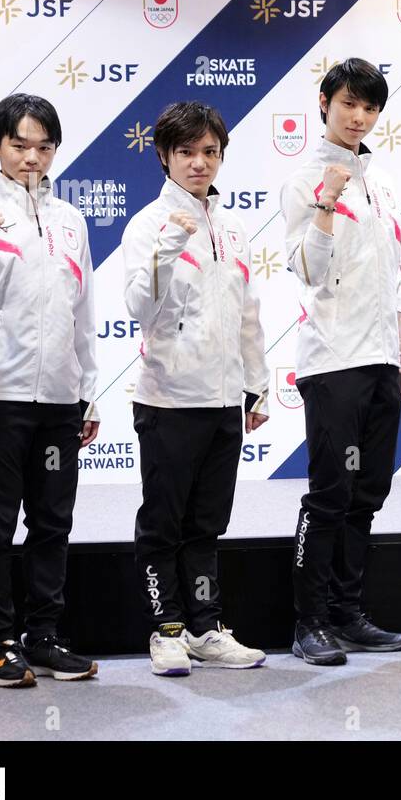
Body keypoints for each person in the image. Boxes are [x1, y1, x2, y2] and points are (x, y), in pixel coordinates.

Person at [0, 93, 99, 687]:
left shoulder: (71, 220)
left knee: (53, 522)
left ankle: (45, 636)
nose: (33, 158)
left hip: (59, 399)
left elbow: (83, 312)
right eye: (20, 145)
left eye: (44, 146)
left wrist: (87, 390)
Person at [123, 101, 270, 675]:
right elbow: (138, 307)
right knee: (163, 523)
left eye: (209, 152)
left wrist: (256, 384)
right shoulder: (146, 225)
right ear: (164, 157)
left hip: (221, 399)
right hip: (167, 399)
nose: (199, 163)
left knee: (207, 523)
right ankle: (166, 630)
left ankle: (207, 626)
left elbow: (248, 312)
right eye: (186, 152)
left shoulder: (232, 227)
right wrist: (167, 246)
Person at [281, 58, 401, 666]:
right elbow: (306, 271)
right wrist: (326, 206)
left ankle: (347, 612)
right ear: (324, 104)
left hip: (382, 358)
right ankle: (308, 622)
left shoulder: (382, 181)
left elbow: (387, 278)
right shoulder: (304, 179)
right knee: (329, 494)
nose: (359, 117)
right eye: (348, 105)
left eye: (369, 108)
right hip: (333, 360)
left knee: (369, 492)